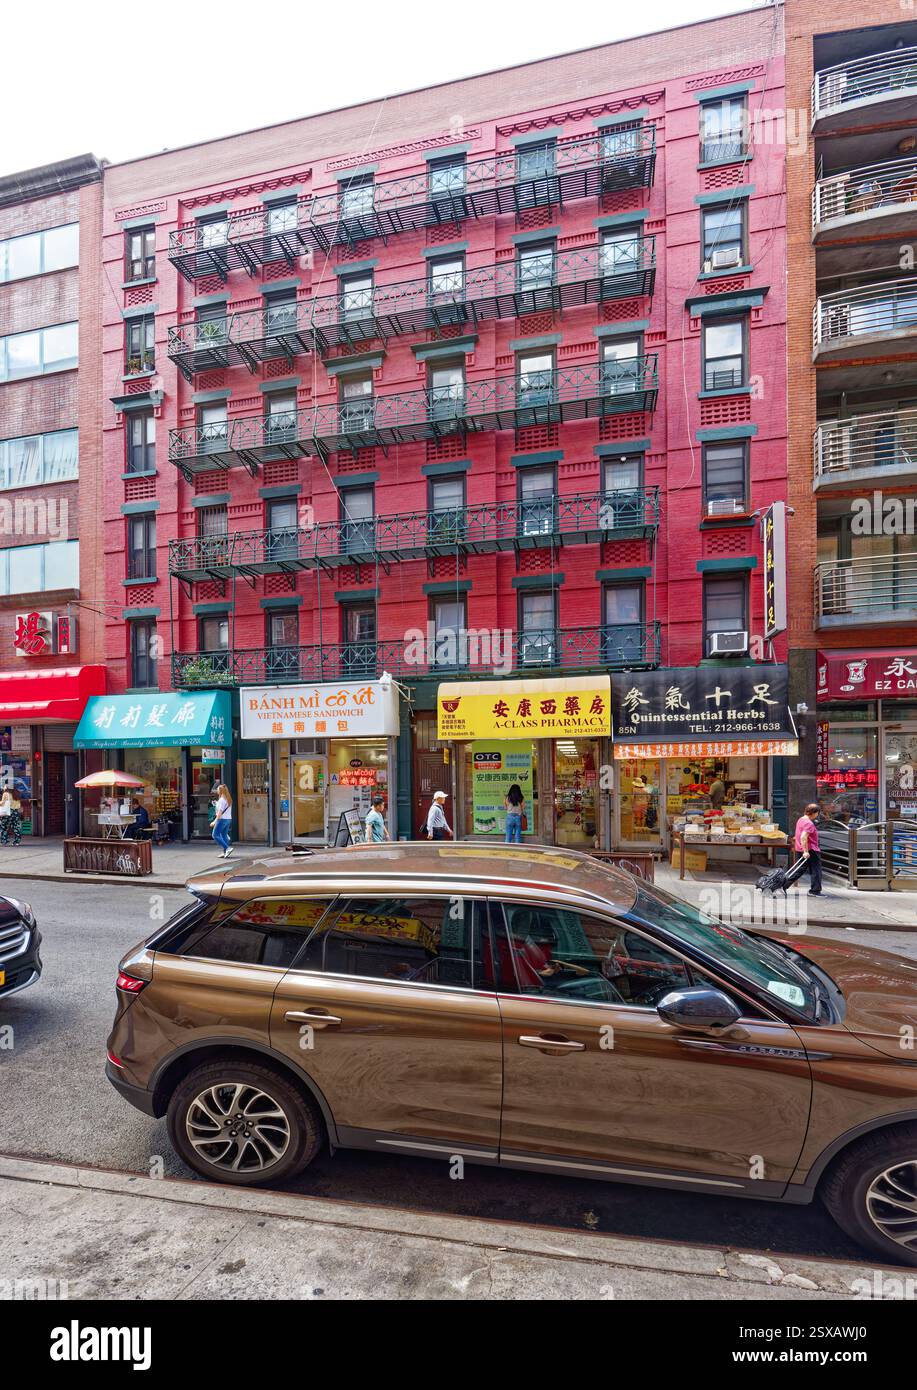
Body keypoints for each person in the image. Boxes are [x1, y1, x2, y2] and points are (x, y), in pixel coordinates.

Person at [794, 801, 823, 896]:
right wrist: (805, 851)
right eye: (817, 813)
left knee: (799, 870)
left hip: (800, 848)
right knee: (816, 870)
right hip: (811, 850)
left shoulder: (801, 820)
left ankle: (783, 885)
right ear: (814, 813)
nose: (817, 815)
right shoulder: (809, 823)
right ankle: (815, 891)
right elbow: (803, 836)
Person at [212, 783, 233, 857]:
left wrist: (214, 821)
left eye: (217, 790)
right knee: (224, 835)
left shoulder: (221, 800)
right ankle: (225, 852)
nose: (217, 791)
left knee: (215, 835)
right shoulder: (228, 799)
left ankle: (227, 848)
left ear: (220, 791)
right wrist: (216, 804)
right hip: (228, 819)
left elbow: (220, 813)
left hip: (222, 820)